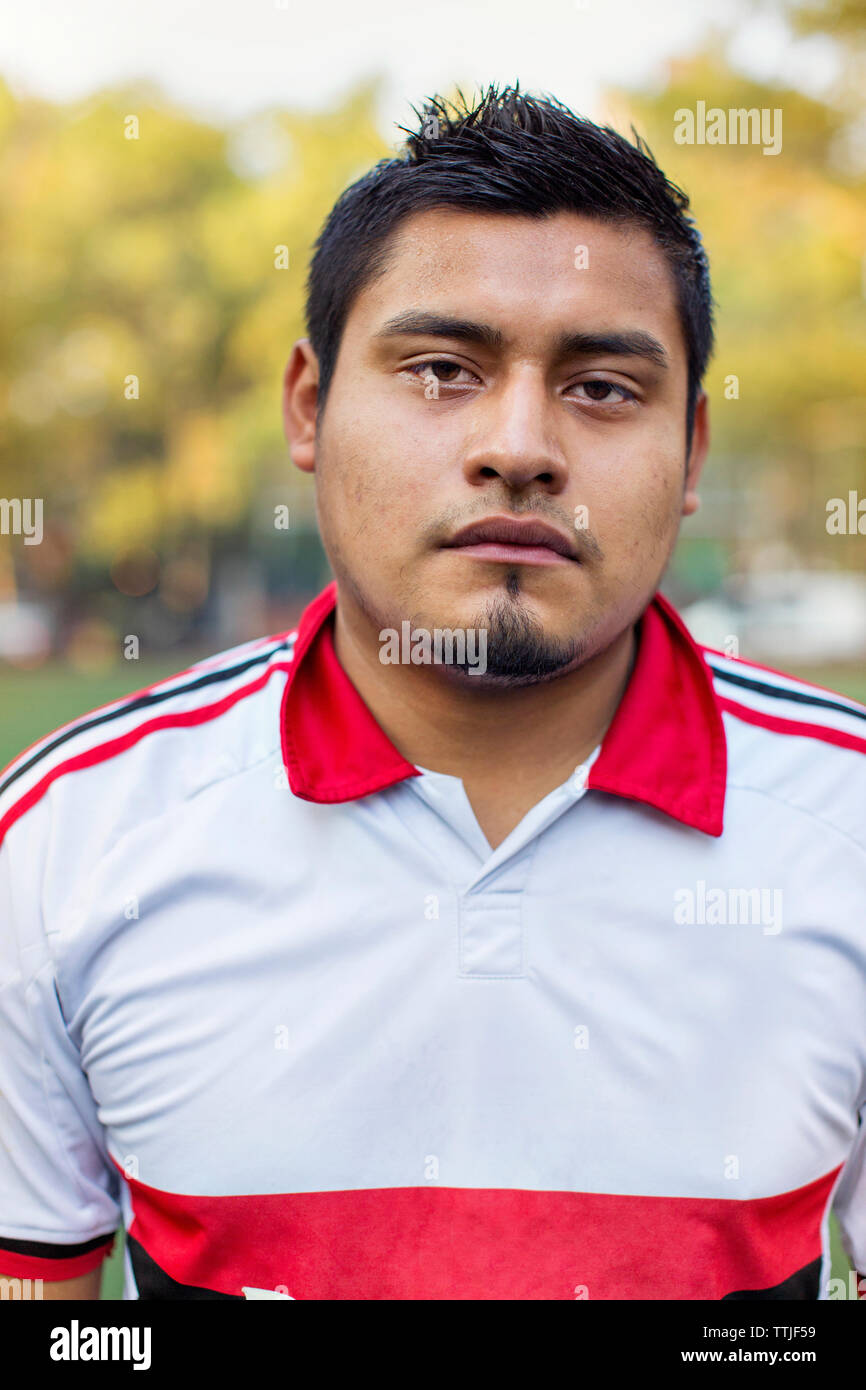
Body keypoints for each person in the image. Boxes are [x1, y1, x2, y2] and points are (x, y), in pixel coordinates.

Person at [1, 83, 865, 1301]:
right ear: (310, 405)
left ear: (691, 455)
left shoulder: (848, 827)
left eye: (603, 387)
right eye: (443, 368)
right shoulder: (65, 842)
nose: (518, 446)